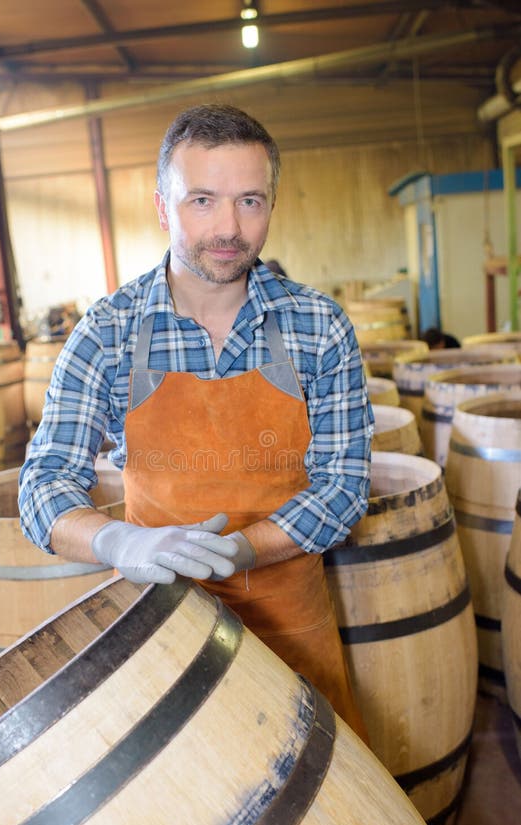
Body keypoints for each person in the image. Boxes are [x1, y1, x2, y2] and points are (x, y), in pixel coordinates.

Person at [19, 104, 374, 740]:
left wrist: (242, 549)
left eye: (250, 201)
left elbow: (344, 487)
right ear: (162, 208)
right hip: (163, 631)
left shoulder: (319, 327)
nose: (229, 228)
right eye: (202, 200)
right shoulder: (108, 333)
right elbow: (44, 484)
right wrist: (118, 542)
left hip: (294, 630)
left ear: (272, 203)